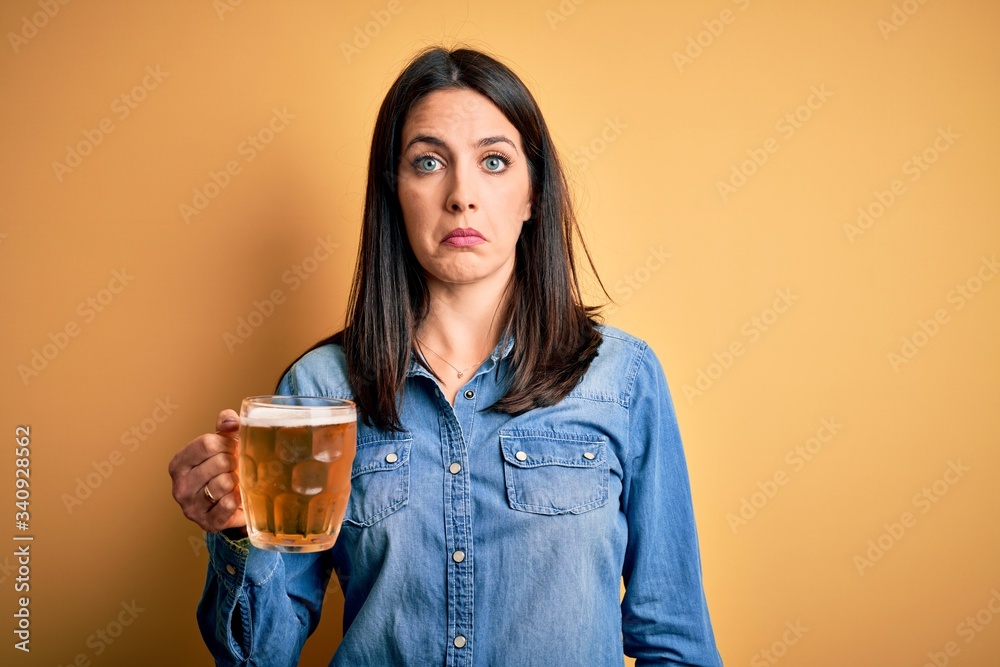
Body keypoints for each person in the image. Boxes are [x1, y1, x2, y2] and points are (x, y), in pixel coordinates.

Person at [169, 46, 722, 666]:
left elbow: (676, 644)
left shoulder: (622, 379)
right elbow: (257, 658)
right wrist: (238, 535)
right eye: (428, 162)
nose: (461, 195)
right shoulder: (319, 389)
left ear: (533, 195)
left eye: (493, 161)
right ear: (394, 192)